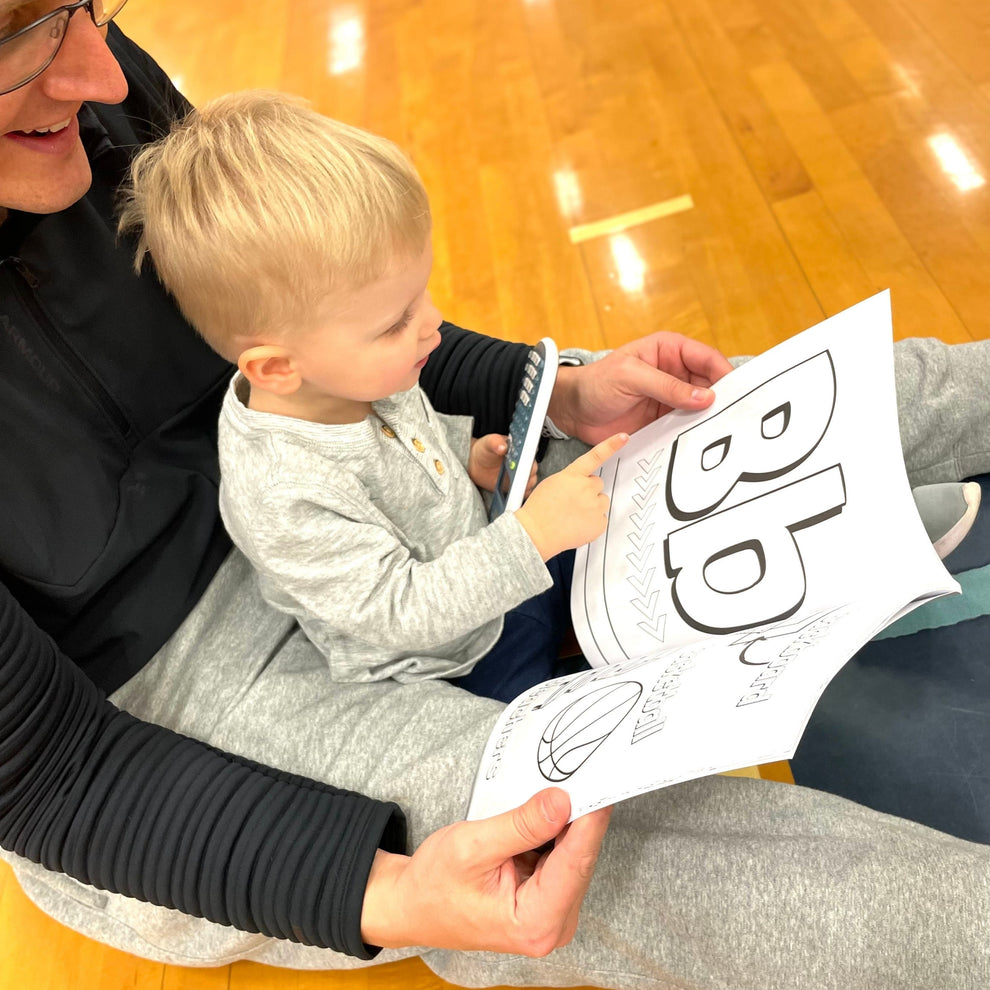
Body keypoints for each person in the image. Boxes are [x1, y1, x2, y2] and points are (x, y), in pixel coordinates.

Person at [1, 5, 989, 989]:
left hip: (437, 534)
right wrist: (373, 888)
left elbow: (328, 308)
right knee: (597, 833)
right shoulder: (291, 480)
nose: (102, 74)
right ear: (271, 366)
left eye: (86, 9)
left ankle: (850, 528)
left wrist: (544, 393)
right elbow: (54, 768)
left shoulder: (138, 130)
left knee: (719, 415)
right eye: (18, 37)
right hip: (239, 690)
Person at [118, 90, 627, 702]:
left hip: (495, 565)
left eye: (421, 295)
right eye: (395, 322)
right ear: (277, 367)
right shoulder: (282, 492)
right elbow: (401, 613)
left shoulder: (353, 375)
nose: (433, 323)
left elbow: (408, 434)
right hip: (451, 658)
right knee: (575, 725)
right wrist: (532, 537)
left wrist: (462, 454)